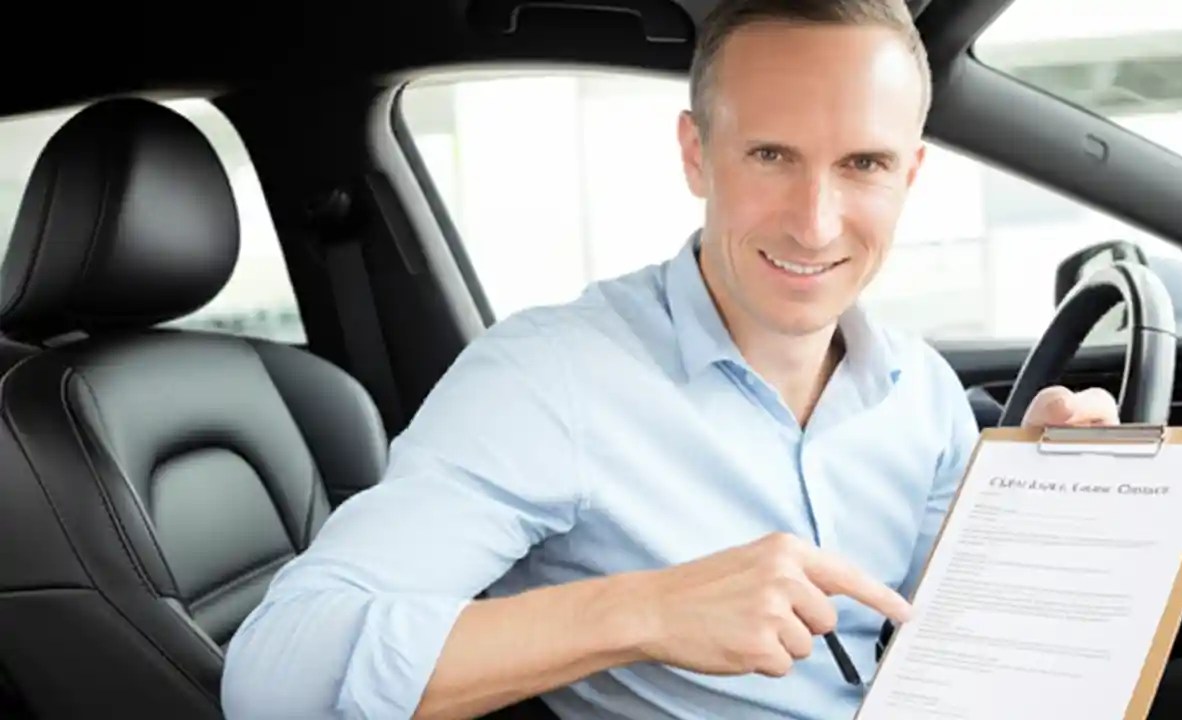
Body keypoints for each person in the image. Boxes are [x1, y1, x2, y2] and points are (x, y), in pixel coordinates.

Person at [220, 1, 1129, 718]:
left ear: (910, 177)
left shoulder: (920, 390)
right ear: (697, 155)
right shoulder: (552, 379)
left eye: (862, 164)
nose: (815, 222)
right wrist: (648, 612)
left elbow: (932, 636)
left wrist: (1025, 507)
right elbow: (276, 675)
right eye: (771, 155)